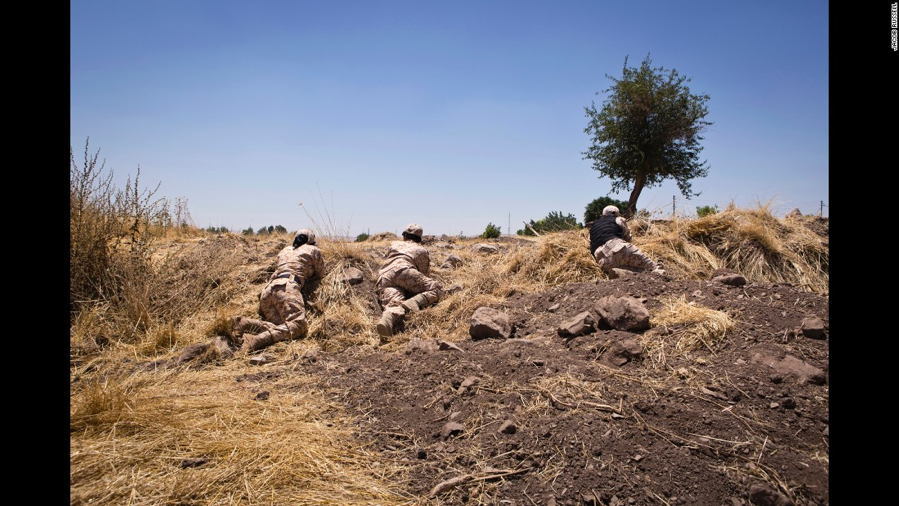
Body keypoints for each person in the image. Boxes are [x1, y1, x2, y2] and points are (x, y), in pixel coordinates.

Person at [235, 228, 325, 352]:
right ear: (311, 240)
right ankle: (258, 340)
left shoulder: (285, 250)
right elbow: (321, 273)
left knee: (281, 327)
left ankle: (246, 323)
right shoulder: (313, 250)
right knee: (299, 326)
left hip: (267, 291)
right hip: (288, 288)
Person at [375, 224, 442, 340]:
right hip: (405, 272)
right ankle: (412, 303)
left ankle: (387, 320)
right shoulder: (421, 250)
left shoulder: (393, 244)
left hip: (385, 277)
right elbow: (423, 274)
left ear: (404, 236)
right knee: (436, 289)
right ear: (419, 239)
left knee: (394, 301)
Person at [589, 206, 665, 275]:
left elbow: (590, 243)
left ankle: (621, 272)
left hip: (601, 259)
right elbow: (628, 238)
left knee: (633, 269)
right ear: (614, 213)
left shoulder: (592, 227)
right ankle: (659, 272)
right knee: (651, 267)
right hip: (616, 247)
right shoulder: (618, 219)